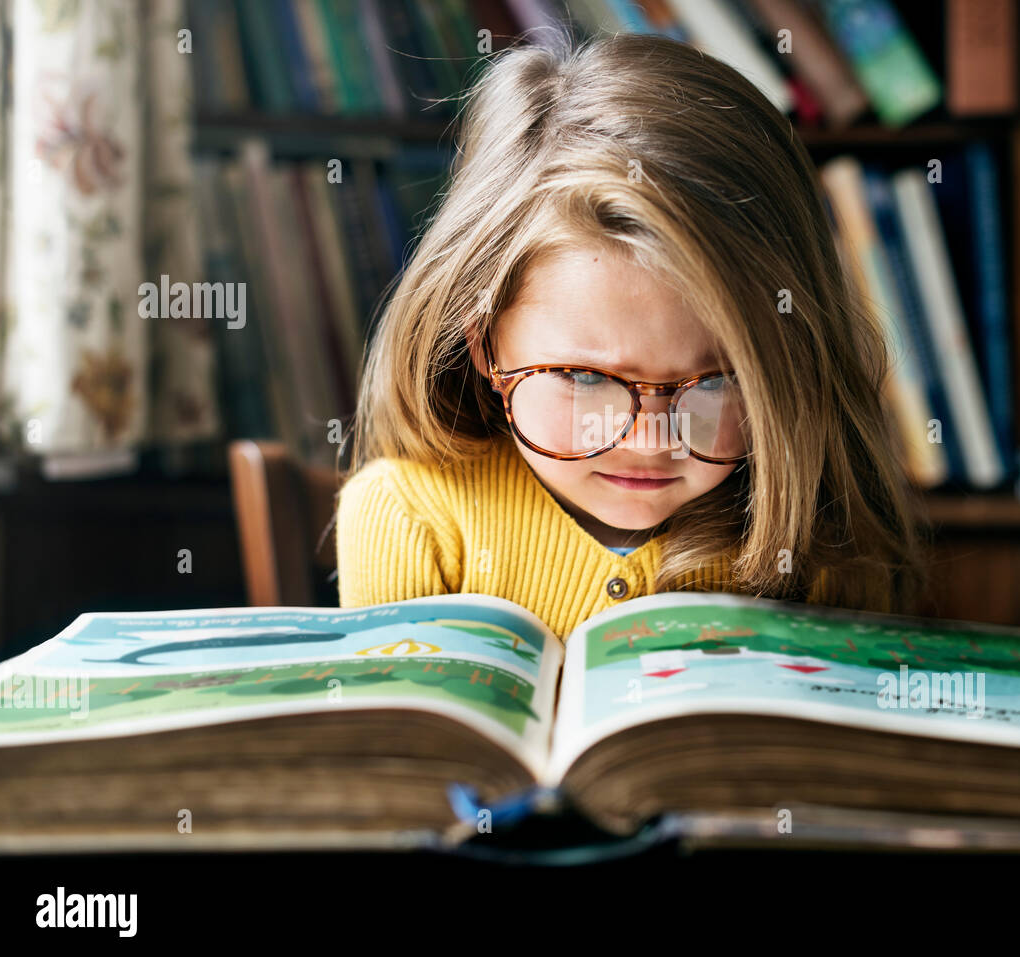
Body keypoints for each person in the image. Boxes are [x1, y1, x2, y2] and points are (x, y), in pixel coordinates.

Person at [335, 29, 923, 640]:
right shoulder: (409, 520)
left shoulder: (816, 539)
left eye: (717, 381)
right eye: (586, 377)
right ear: (484, 344)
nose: (649, 440)